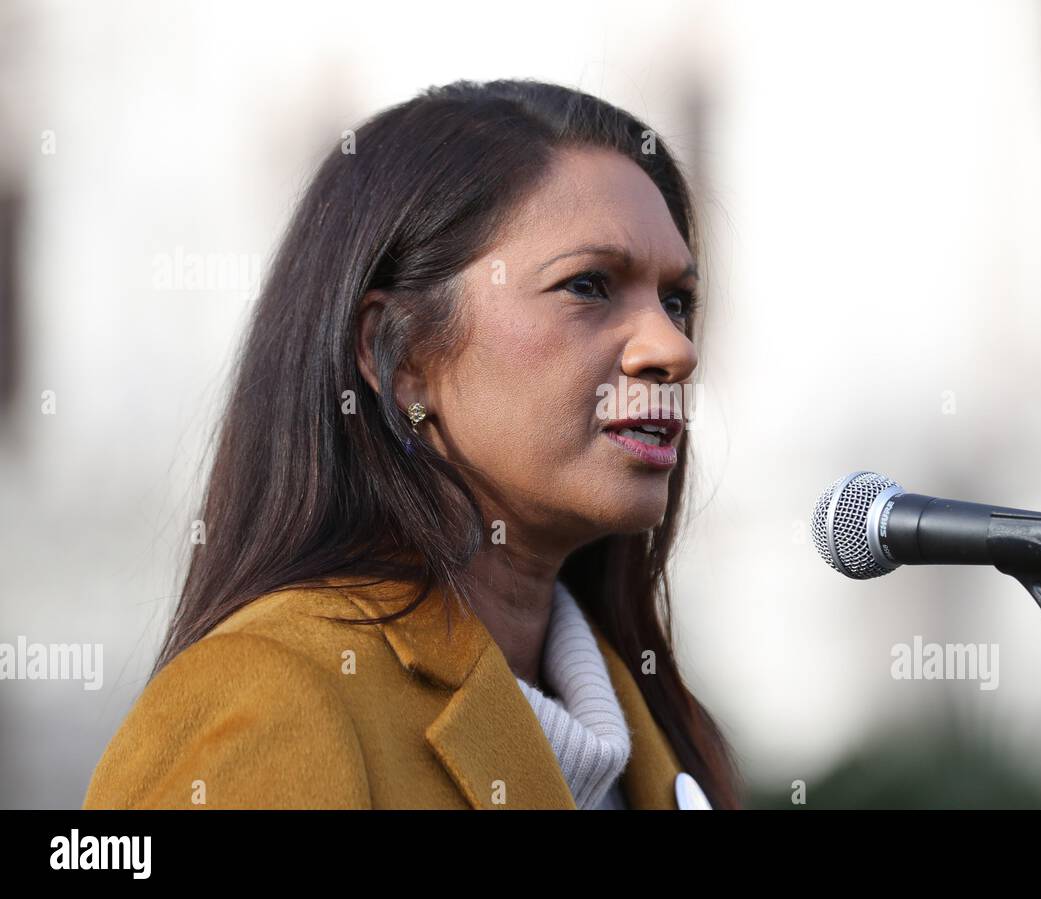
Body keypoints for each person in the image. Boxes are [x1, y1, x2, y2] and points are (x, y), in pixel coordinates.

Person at [82, 78, 740, 810]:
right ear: (396, 354)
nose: (671, 348)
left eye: (677, 300)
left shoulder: (663, 736)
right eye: (588, 285)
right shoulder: (270, 694)